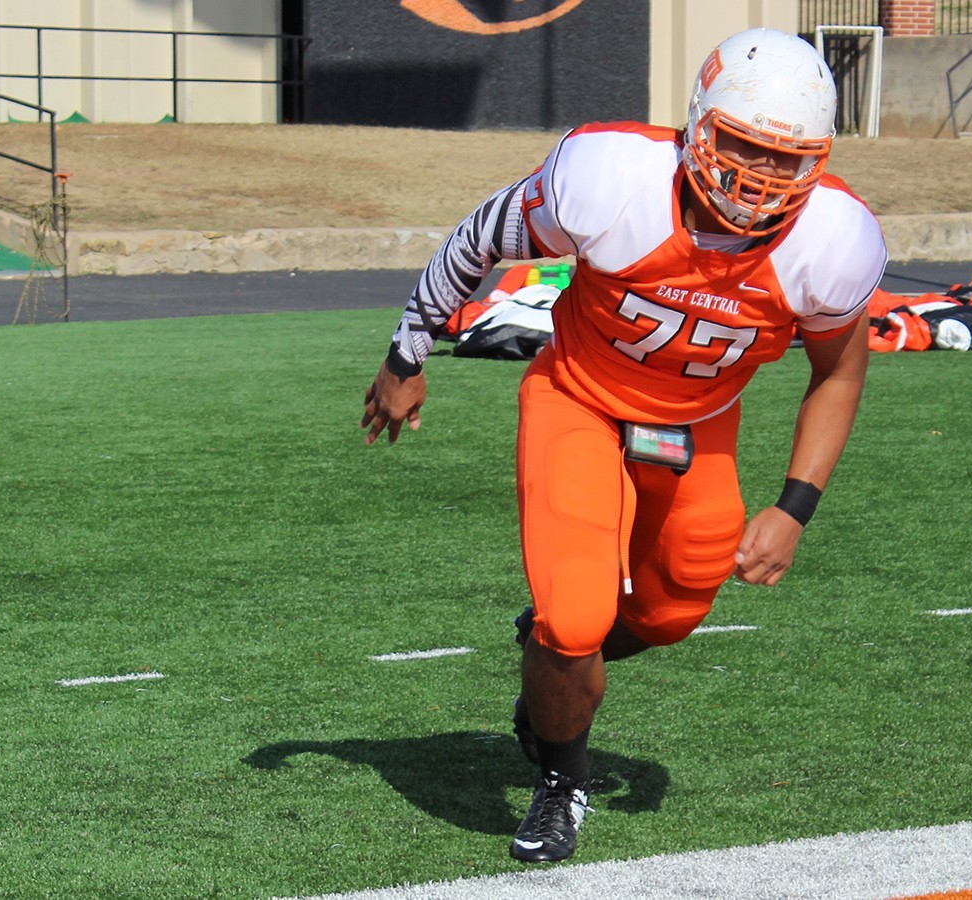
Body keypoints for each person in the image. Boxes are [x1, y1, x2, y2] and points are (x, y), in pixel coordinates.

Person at [359, 27, 887, 863]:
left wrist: (795, 508)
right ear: (699, 128)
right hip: (578, 401)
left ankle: (551, 667)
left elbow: (841, 374)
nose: (759, 179)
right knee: (576, 617)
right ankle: (560, 781)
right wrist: (406, 352)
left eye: (787, 160)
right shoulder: (610, 181)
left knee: (672, 613)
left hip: (701, 424)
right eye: (746, 148)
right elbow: (477, 238)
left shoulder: (834, 240)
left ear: (819, 160)